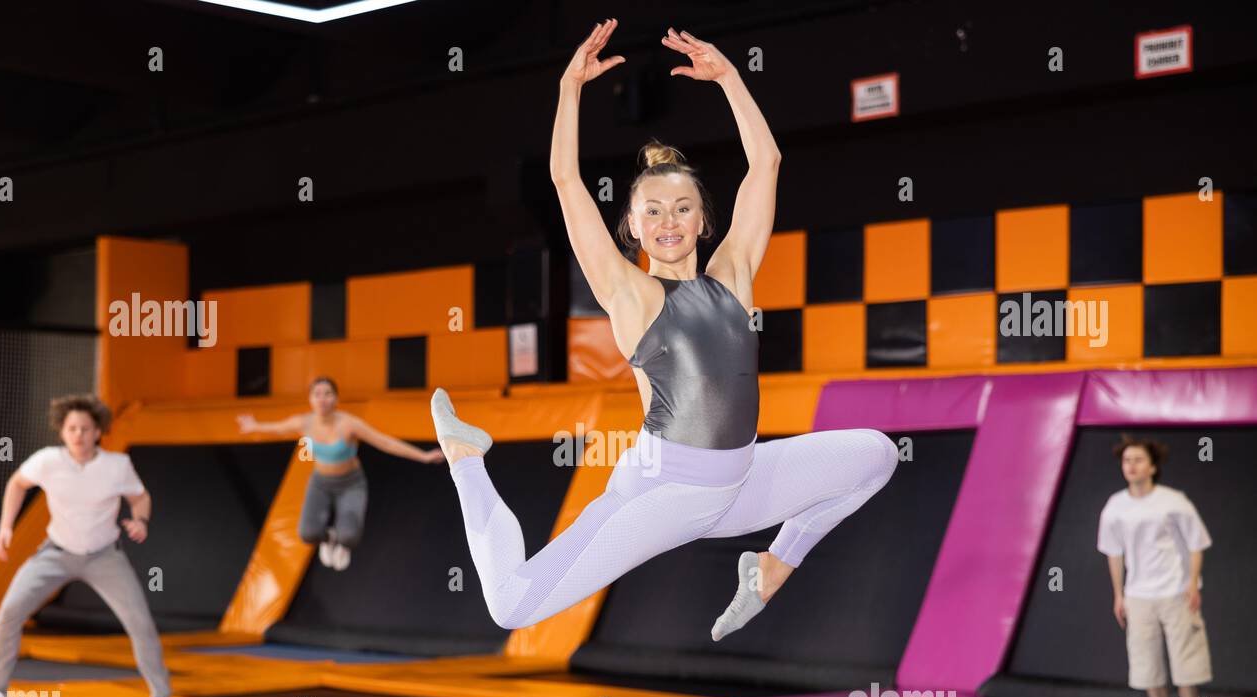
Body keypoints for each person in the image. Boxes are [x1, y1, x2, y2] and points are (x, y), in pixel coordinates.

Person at [429, 21, 898, 638]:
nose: (668, 221)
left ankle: (771, 569)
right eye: (652, 211)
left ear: (704, 219)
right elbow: (566, 183)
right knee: (513, 606)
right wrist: (569, 89)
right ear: (631, 224)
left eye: (682, 208)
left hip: (741, 477)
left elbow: (766, 163)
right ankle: (467, 459)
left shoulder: (733, 275)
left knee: (877, 456)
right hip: (667, 488)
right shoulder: (630, 293)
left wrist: (729, 77)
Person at [0, 395, 177, 697]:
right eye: (72, 428)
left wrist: (140, 520)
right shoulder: (47, 460)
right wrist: (5, 527)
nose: (78, 434)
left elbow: (140, 496)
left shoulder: (116, 466)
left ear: (97, 432)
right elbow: (17, 483)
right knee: (9, 611)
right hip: (56, 553)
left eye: (85, 429)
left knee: (140, 623)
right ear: (62, 431)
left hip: (104, 557)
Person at [238, 376, 444, 570]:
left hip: (350, 483)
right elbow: (279, 428)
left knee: (349, 537)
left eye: (327, 393)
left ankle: (341, 540)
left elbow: (385, 442)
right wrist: (254, 425)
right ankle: (328, 538)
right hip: (320, 483)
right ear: (310, 399)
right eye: (317, 394)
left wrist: (423, 456)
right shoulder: (305, 423)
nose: (322, 399)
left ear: (335, 398)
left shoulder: (348, 424)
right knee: (308, 534)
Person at [1098, 436, 1213, 697]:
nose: (1131, 465)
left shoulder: (1173, 501)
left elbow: (1196, 544)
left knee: (1186, 664)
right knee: (1146, 665)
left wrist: (1192, 584)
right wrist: (1119, 594)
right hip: (1139, 595)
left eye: (1137, 460)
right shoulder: (1115, 506)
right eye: (1126, 460)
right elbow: (1113, 552)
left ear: (1152, 466)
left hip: (1175, 592)